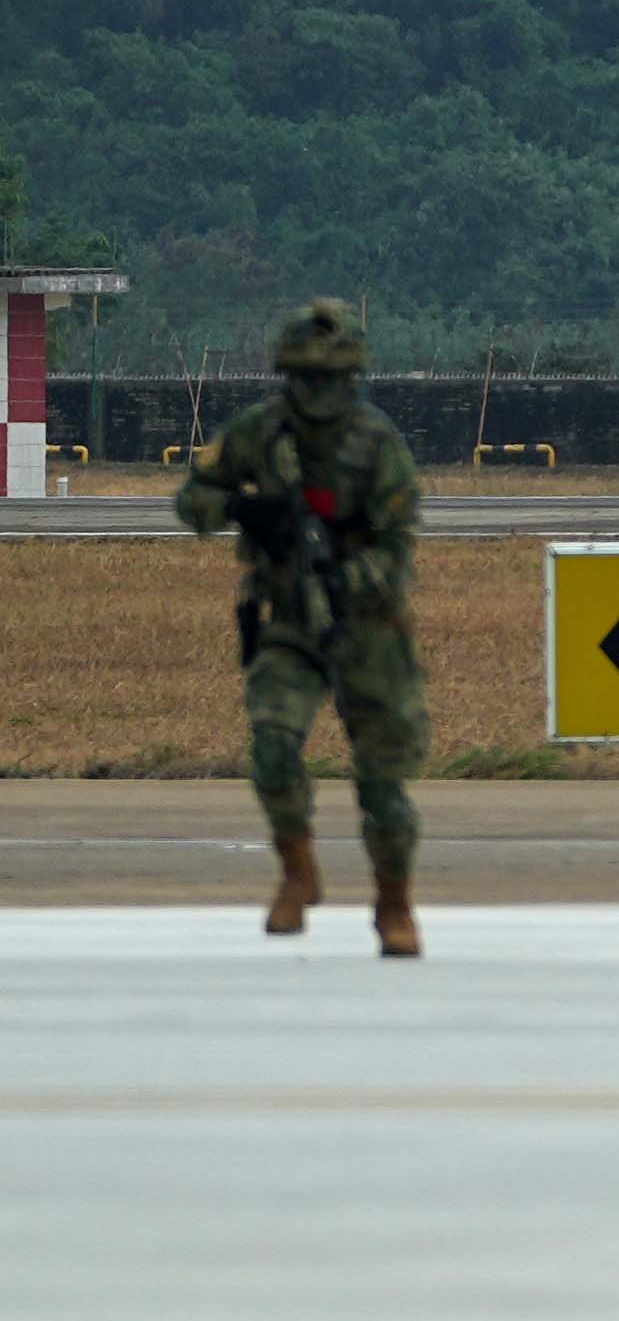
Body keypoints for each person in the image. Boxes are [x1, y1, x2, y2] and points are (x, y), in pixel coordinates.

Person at [179, 298, 426, 956]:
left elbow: (397, 546)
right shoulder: (259, 434)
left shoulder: (377, 444)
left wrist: (349, 577)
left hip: (367, 627)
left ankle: (394, 904)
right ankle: (297, 870)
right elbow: (192, 497)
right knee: (273, 744)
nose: (316, 392)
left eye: (330, 379)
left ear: (352, 379)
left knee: (383, 781)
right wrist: (243, 510)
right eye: (304, 378)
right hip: (289, 620)